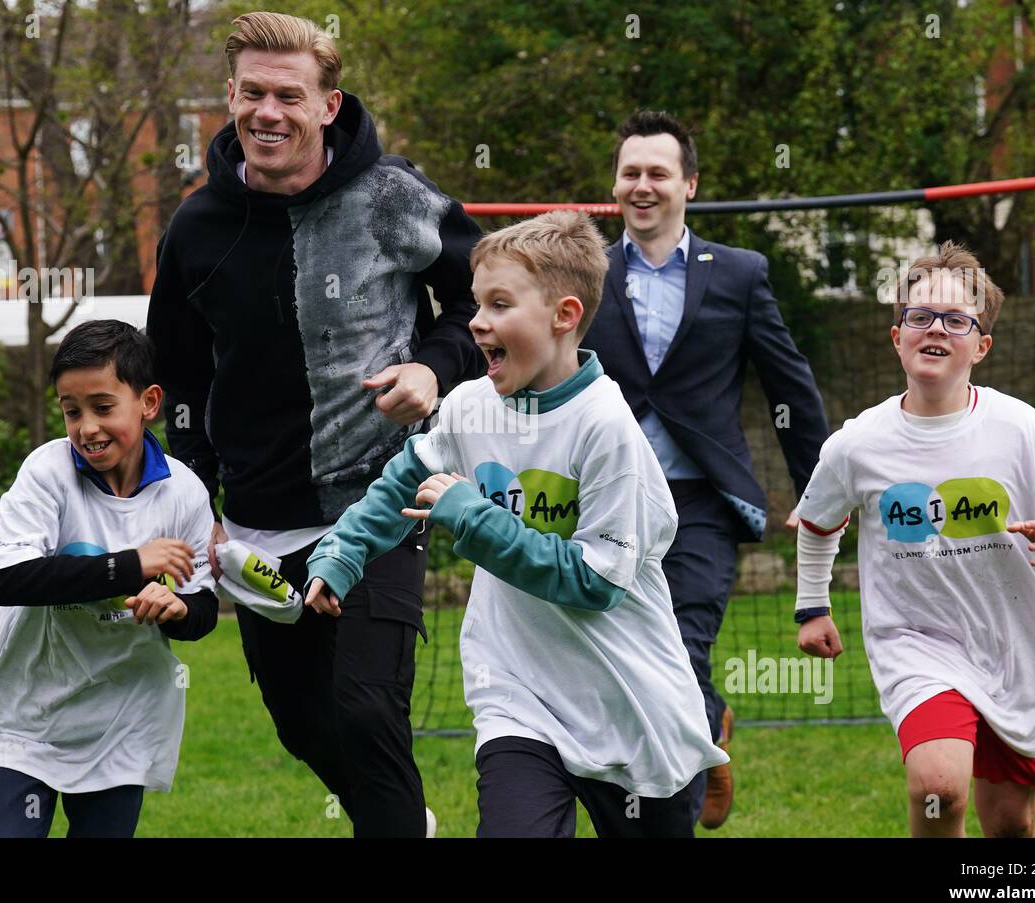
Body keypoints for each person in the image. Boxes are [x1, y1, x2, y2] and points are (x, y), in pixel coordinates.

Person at [145, 11, 481, 837]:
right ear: (229, 97)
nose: (268, 112)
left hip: (379, 499)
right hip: (258, 522)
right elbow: (178, 377)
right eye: (252, 92)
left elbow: (485, 299)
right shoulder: (196, 229)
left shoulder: (394, 197)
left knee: (367, 710)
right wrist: (198, 494)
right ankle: (409, 822)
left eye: (288, 95)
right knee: (305, 724)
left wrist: (432, 368)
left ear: (328, 104)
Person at [304, 211, 730, 837]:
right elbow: (400, 481)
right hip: (517, 694)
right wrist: (343, 553)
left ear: (564, 315)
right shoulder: (471, 406)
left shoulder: (607, 430)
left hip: (626, 699)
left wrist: (473, 519)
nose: (476, 322)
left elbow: (595, 584)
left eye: (499, 304)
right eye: (476, 304)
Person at [794, 242, 1035, 837]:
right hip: (917, 643)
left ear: (981, 346)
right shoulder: (857, 444)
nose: (935, 328)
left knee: (1011, 825)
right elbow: (817, 522)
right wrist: (813, 606)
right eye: (920, 316)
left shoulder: (1020, 429)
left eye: (956, 320)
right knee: (939, 788)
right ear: (898, 336)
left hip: (1016, 649)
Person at [580, 110, 829, 827]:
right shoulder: (588, 272)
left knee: (681, 651)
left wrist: (819, 494)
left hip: (701, 504)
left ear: (689, 183)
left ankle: (675, 810)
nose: (643, 185)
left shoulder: (740, 274)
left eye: (658, 172)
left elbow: (791, 387)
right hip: (606, 502)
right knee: (621, 661)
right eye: (631, 173)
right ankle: (712, 722)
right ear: (616, 185)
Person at [0, 319, 218, 838]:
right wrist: (130, 565)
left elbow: (202, 610)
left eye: (103, 408)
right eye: (71, 411)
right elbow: (6, 580)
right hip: (29, 720)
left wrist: (176, 611)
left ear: (149, 402)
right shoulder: (47, 471)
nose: (86, 428)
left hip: (123, 723)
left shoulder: (186, 493)